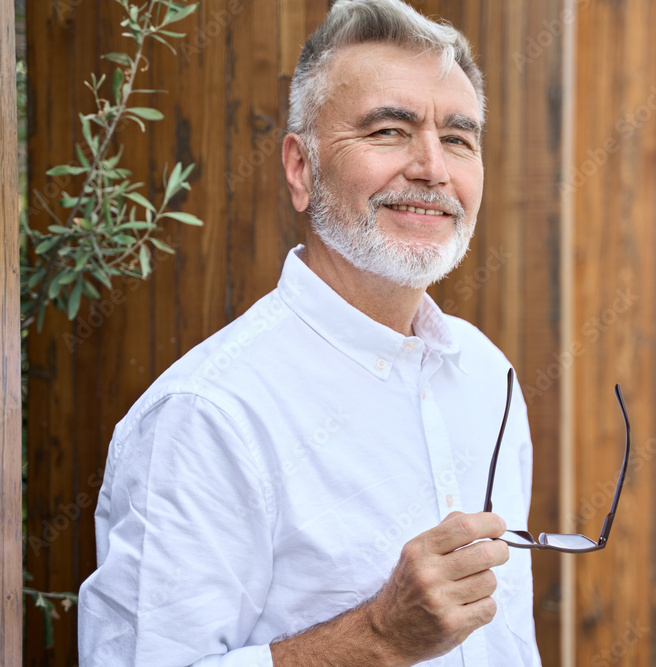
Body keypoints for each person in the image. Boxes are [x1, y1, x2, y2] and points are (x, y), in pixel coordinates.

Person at [78, 1, 541, 665]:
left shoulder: (487, 374)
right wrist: (379, 636)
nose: (433, 168)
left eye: (459, 139)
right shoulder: (205, 416)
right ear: (302, 168)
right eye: (389, 130)